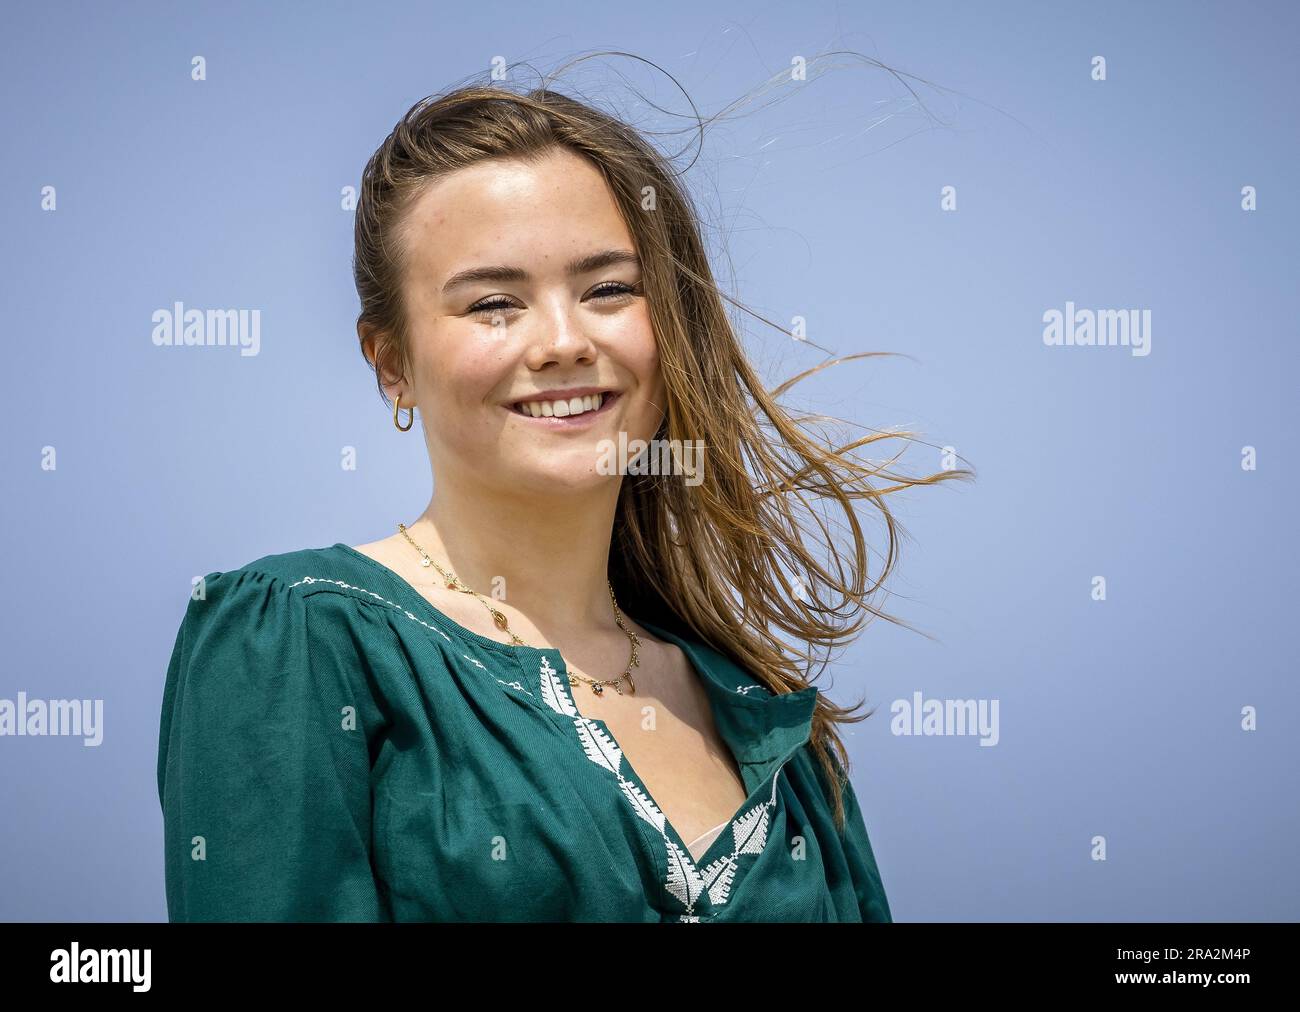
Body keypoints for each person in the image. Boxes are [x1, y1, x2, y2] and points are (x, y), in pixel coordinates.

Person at [157, 75, 967, 922]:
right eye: (494, 303)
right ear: (391, 363)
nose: (564, 342)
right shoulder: (295, 637)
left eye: (608, 289)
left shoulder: (770, 724)